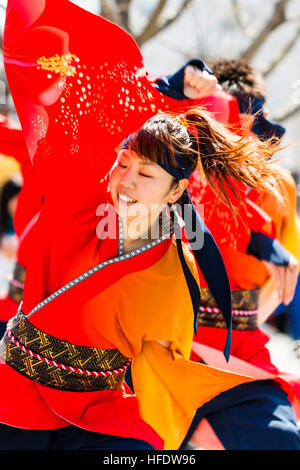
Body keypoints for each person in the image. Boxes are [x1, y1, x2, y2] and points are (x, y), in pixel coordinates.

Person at [0, 0, 287, 451]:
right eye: (123, 164)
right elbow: (103, 112)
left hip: (95, 413)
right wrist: (173, 92)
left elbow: (162, 360)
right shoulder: (78, 200)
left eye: (145, 175)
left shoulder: (176, 265)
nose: (125, 181)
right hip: (16, 402)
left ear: (176, 192)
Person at [177, 61, 300, 450]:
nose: (239, 138)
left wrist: (240, 318)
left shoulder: (276, 181)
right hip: (163, 344)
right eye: (228, 125)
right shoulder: (175, 166)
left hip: (238, 351)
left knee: (281, 443)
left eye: (247, 126)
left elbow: (284, 277)